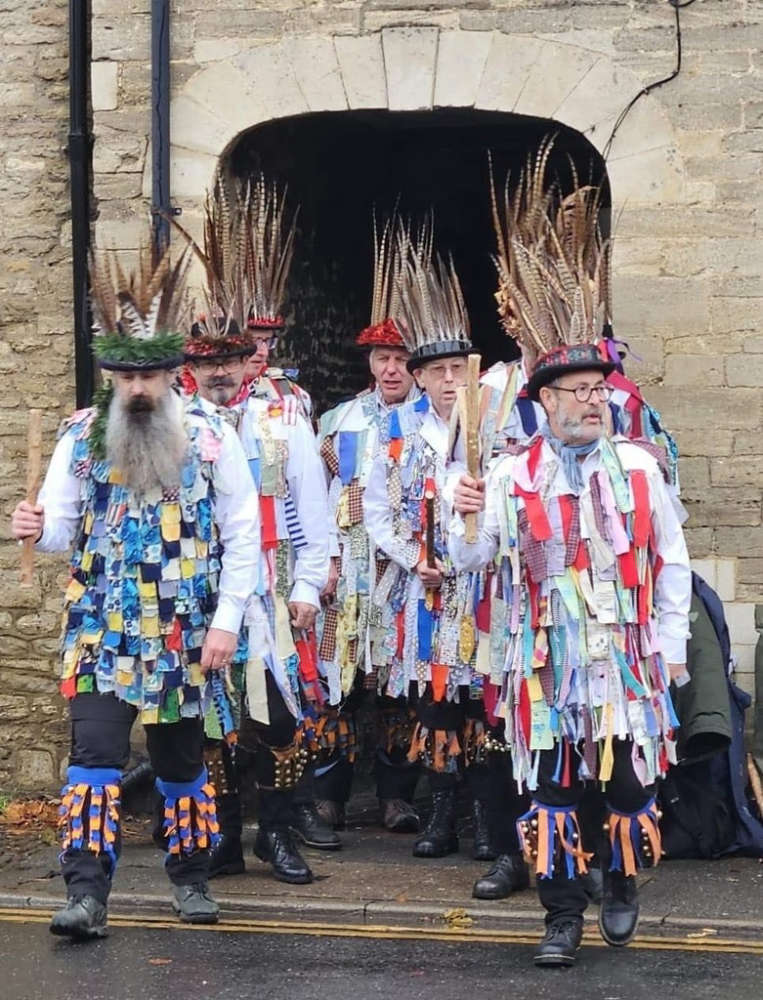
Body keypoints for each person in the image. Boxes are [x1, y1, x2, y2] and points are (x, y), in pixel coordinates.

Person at [450, 184, 691, 967]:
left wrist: (670, 644)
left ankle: (617, 882)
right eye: (576, 393)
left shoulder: (638, 470)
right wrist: (460, 516)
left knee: (623, 787)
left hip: (624, 660)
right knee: (551, 787)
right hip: (543, 662)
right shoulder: (512, 474)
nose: (592, 402)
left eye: (598, 390)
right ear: (543, 401)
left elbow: (670, 563)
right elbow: (472, 562)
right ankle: (560, 916)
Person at [11, 244, 260, 938]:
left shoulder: (212, 438)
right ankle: (86, 896)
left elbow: (244, 536)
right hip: (100, 629)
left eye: (150, 374)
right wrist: (29, 524)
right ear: (111, 377)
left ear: (173, 372)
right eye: (127, 377)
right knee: (93, 760)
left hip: (185, 629)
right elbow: (59, 531)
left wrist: (227, 623)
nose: (140, 390)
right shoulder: (81, 440)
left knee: (181, 761)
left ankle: (190, 879)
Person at [182, 173, 335, 883]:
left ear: (249, 364)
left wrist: (309, 582)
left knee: (273, 720)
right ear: (192, 368)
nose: (220, 373)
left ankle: (275, 836)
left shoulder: (284, 420)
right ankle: (219, 839)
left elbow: (313, 509)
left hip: (269, 598)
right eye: (207, 362)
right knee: (210, 723)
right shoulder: (174, 429)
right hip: (195, 593)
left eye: (230, 361)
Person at [363, 223, 483, 859]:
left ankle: (488, 824)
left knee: (482, 702)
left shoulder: (495, 438)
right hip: (427, 592)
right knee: (436, 702)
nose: (447, 382)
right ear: (418, 377)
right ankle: (441, 820)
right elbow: (377, 514)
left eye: (457, 370)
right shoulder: (394, 437)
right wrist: (418, 560)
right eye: (436, 371)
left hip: (483, 589)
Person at [315, 213, 422, 833]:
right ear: (370, 360)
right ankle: (329, 793)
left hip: (403, 574)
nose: (390, 368)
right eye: (383, 356)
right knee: (339, 678)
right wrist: (325, 563)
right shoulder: (337, 423)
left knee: (399, 684)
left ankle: (397, 795)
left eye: (402, 358)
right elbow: (317, 499)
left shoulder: (437, 424)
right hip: (350, 568)